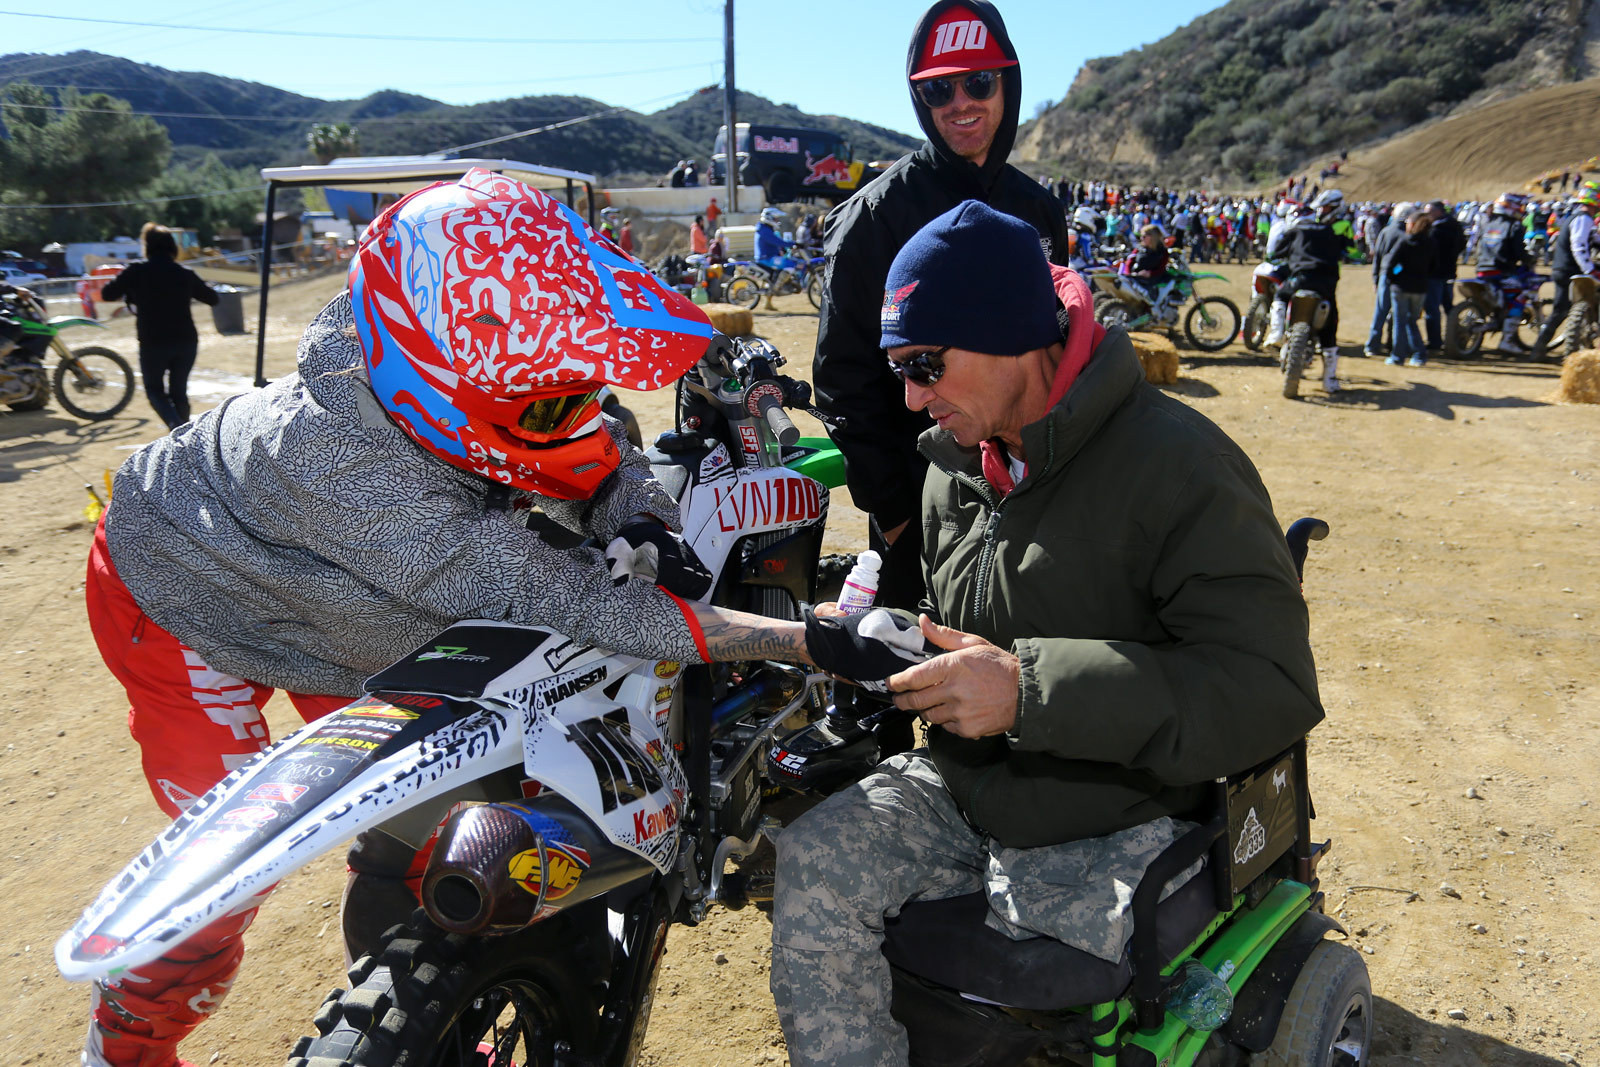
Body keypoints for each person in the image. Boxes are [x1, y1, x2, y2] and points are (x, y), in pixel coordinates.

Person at [79, 169, 891, 1067]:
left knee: (438, 824)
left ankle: (420, 1014)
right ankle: (124, 1054)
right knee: (220, 890)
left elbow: (595, 448)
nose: (570, 407)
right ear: (441, 381)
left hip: (348, 599)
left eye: (573, 383)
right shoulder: (368, 486)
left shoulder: (458, 342)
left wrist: (646, 523)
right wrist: (800, 636)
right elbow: (587, 603)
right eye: (545, 396)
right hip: (188, 587)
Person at [774, 200, 1324, 1067]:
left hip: (1122, 809)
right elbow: (971, 633)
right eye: (899, 370)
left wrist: (1030, 692)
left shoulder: (1184, 467)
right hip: (966, 789)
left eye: (924, 364)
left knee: (1028, 994)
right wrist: (887, 645)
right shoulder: (950, 464)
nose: (911, 396)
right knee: (808, 860)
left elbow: (1269, 687)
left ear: (1009, 338)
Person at [812, 0, 1070, 621]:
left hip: (1024, 496)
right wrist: (896, 513)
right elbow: (842, 379)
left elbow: (1055, 353)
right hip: (919, 499)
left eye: (980, 81)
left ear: (1008, 83)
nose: (961, 102)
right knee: (900, 673)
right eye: (938, 89)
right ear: (918, 99)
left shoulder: (1038, 211)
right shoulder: (873, 217)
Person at [99, 224, 220, 430]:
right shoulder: (184, 273)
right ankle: (184, 432)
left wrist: (130, 285)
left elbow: (107, 294)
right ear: (172, 247)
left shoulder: (136, 271)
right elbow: (213, 299)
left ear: (147, 247)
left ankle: (177, 428)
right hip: (185, 340)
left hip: (153, 341)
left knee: (154, 390)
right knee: (179, 391)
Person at [1264, 189, 1352, 393]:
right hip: (1326, 286)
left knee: (1280, 295)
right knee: (1330, 329)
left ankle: (1276, 332)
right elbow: (1346, 252)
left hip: (1300, 280)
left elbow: (1276, 253)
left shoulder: (1295, 231)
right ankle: (1329, 379)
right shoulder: (1330, 232)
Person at [1531, 182, 1600, 360]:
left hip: (1564, 267)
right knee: (1560, 310)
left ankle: (1540, 348)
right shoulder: (1583, 218)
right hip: (1570, 269)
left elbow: (1593, 240)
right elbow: (1578, 246)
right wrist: (1590, 269)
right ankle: (1538, 349)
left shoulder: (1579, 217)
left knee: (1561, 309)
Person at [1471, 193, 1536, 354]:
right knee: (1519, 299)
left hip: (1482, 270)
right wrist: (1530, 259)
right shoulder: (1514, 226)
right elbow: (1518, 251)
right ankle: (1507, 340)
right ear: (1512, 207)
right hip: (1502, 272)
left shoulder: (1487, 223)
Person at [1385, 210, 1435, 367]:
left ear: (1412, 224)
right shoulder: (1431, 243)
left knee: (1400, 322)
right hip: (1420, 288)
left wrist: (1394, 278)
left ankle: (1398, 356)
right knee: (1411, 321)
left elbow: (1390, 264)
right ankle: (1419, 354)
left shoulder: (1405, 241)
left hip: (1401, 287)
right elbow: (1434, 267)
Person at [1365, 203, 1412, 358]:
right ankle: (1398, 346)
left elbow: (1378, 257)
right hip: (1402, 276)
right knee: (1400, 314)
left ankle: (1372, 345)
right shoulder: (1408, 233)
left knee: (1380, 311)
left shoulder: (1386, 231)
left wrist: (1375, 278)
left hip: (1385, 274)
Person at [1425, 200, 1467, 353]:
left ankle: (1435, 342)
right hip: (1449, 272)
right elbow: (1462, 245)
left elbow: (1429, 252)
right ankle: (1456, 337)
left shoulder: (1434, 231)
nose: (1427, 215)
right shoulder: (1455, 226)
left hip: (1435, 274)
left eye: (1429, 211)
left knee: (1432, 310)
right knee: (1449, 308)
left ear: (1438, 212)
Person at [1126, 222, 1177, 320]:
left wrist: (1149, 274)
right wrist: (1129, 274)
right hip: (1136, 276)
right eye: (1141, 236)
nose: (1142, 238)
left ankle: (1152, 313)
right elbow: (1130, 260)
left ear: (1152, 237)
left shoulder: (1162, 251)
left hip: (1153, 279)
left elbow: (1161, 269)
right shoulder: (1139, 248)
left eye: (1144, 236)